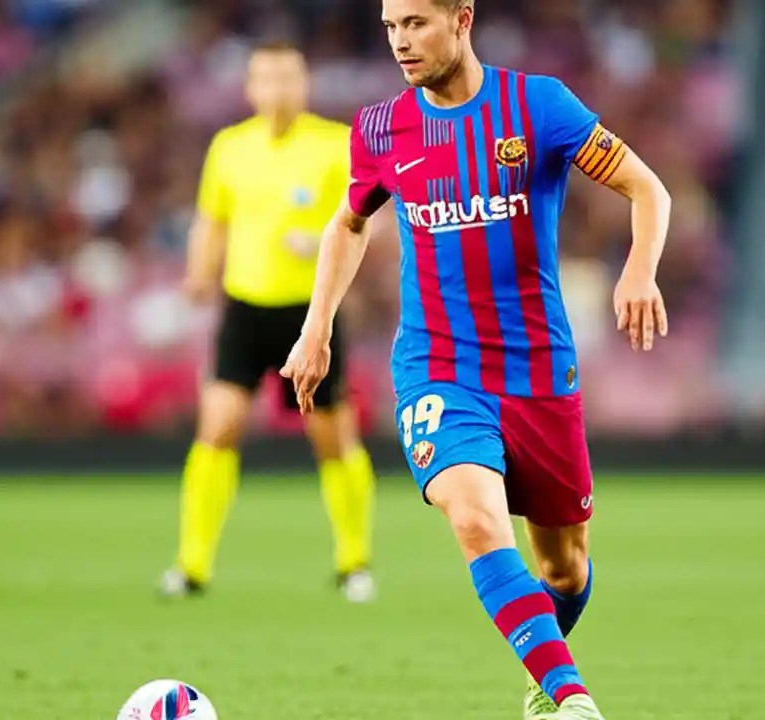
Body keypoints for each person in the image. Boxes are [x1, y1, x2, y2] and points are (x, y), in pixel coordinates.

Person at [280, 1, 672, 717]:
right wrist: (317, 327)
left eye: (416, 24)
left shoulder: (538, 107)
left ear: (462, 18)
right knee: (474, 518)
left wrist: (639, 270)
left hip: (538, 370)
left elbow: (646, 187)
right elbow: (349, 223)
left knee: (564, 567)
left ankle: (543, 672)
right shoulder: (380, 128)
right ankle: (572, 699)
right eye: (391, 27)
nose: (400, 42)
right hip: (437, 366)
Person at [161, 42, 378, 603]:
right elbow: (212, 219)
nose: (279, 89)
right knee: (217, 428)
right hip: (245, 306)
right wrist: (199, 273)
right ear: (250, 88)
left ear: (304, 85)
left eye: (289, 78)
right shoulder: (230, 148)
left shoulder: (334, 144)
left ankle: (354, 562)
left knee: (332, 438)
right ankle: (191, 565)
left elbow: (368, 218)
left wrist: (323, 238)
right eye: (268, 78)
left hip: (312, 313)